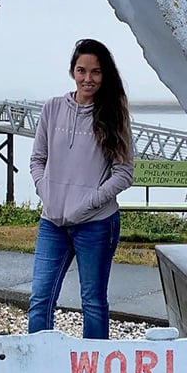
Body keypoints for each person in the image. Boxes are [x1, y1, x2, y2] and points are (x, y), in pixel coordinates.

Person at [28, 38, 134, 339]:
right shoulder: (52, 109)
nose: (88, 78)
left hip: (96, 225)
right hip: (52, 223)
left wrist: (87, 203)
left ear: (105, 75)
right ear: (72, 71)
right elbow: (37, 159)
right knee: (40, 300)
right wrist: (45, 191)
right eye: (82, 70)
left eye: (96, 72)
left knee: (93, 303)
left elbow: (124, 173)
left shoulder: (114, 115)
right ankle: (38, 369)